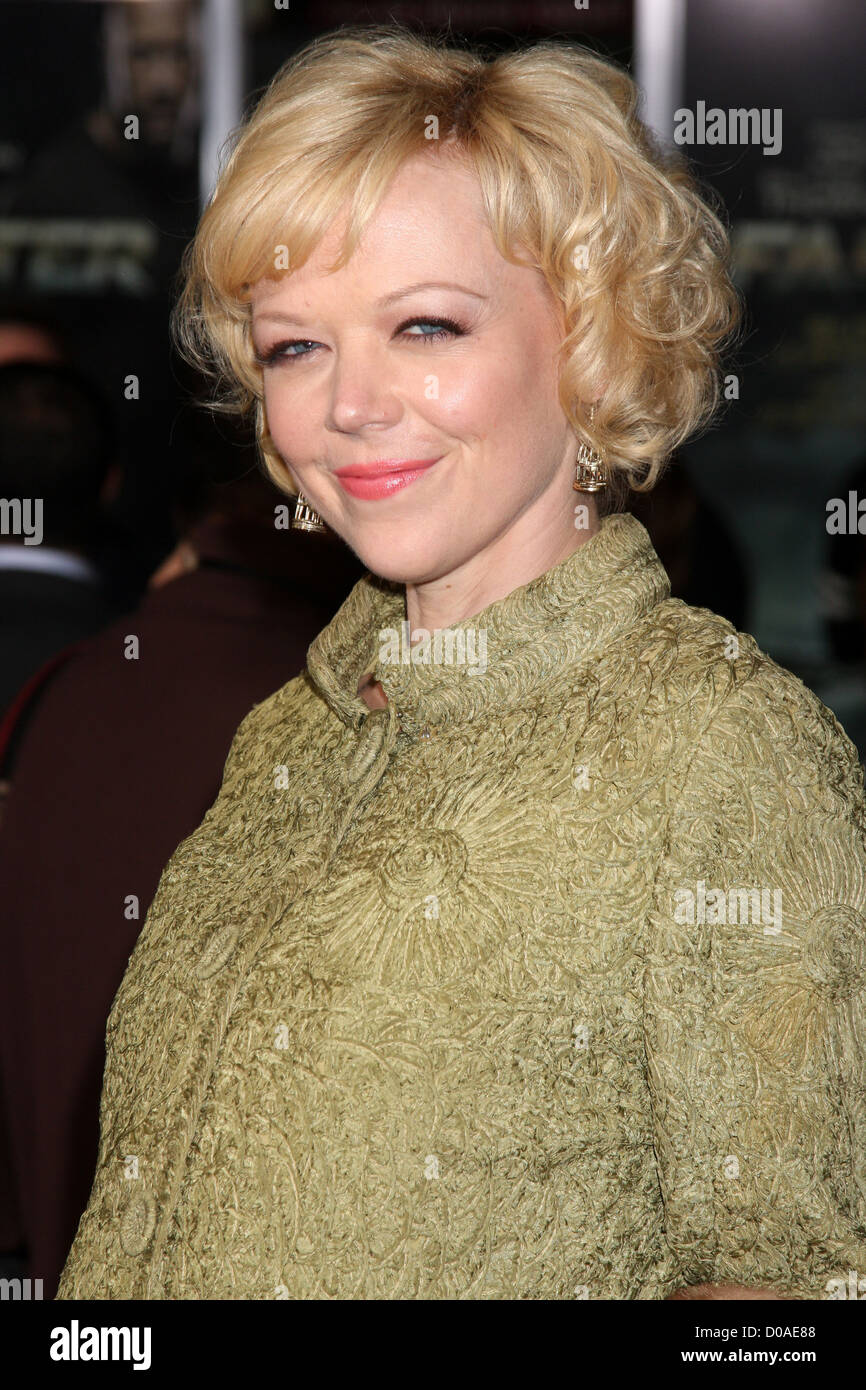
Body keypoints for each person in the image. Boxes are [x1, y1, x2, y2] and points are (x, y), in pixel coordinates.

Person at [57, 25, 866, 1301]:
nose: (349, 405)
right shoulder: (290, 733)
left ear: (593, 340)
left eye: (424, 327)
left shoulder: (721, 753)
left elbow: (786, 1294)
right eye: (295, 346)